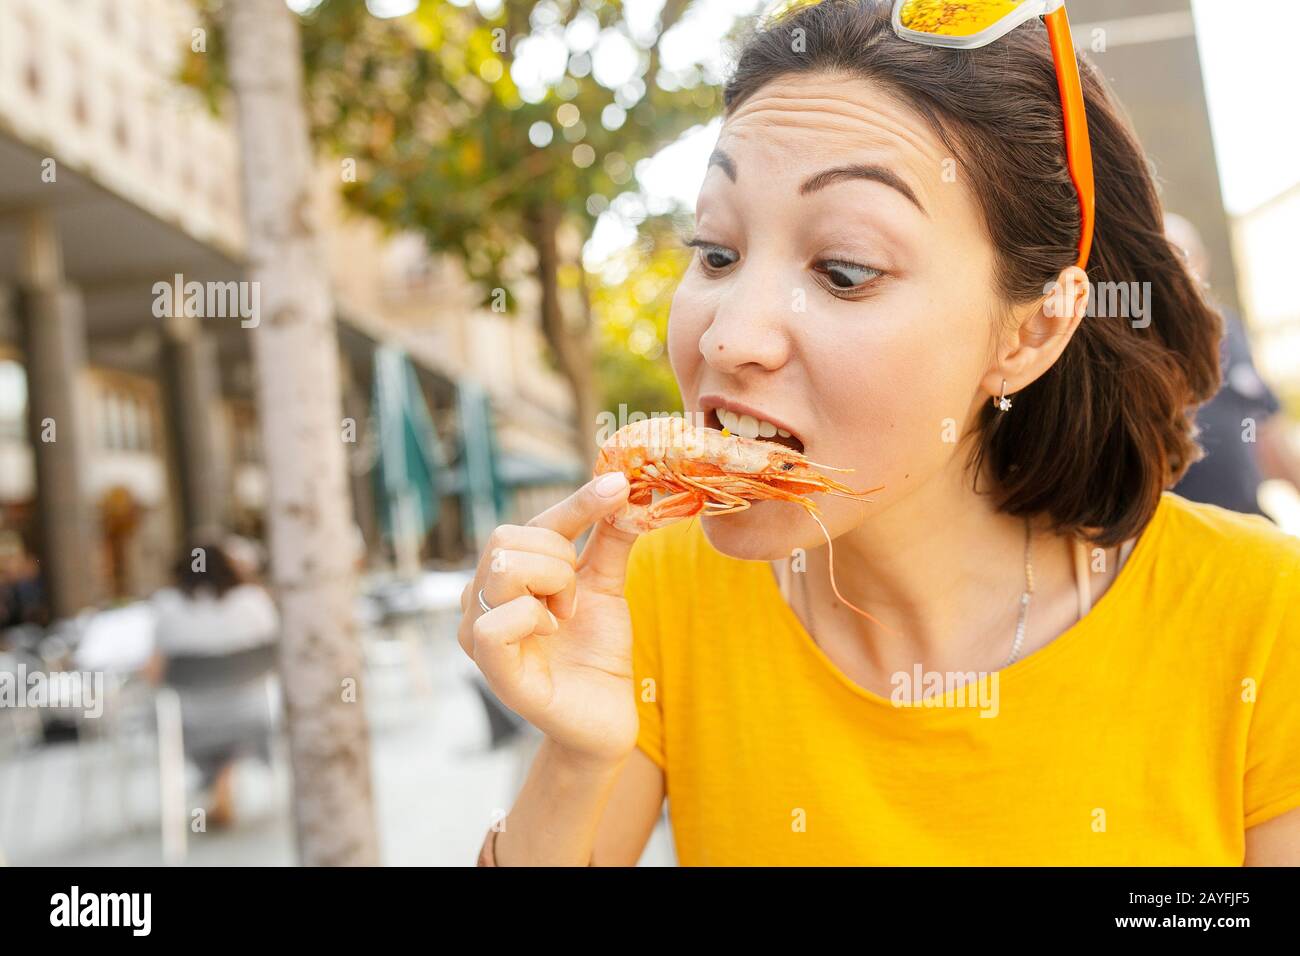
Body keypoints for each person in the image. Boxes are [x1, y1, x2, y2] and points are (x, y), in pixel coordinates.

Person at [459, 0, 1300, 865]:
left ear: (1030, 334)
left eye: (845, 270)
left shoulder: (1262, 615)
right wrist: (573, 754)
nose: (727, 336)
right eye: (716, 252)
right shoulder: (659, 597)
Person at [1165, 213, 1300, 517]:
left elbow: (1262, 427)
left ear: (1203, 262)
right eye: (1166, 259)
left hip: (1247, 520)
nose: (1180, 271)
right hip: (1181, 534)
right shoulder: (1136, 342)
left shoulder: (1229, 330)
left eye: (1186, 256)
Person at [147, 537, 279, 828]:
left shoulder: (167, 608)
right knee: (233, 711)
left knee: (189, 713)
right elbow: (275, 656)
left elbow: (154, 674)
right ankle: (223, 784)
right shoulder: (253, 603)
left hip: (190, 721)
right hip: (253, 715)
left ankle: (218, 785)